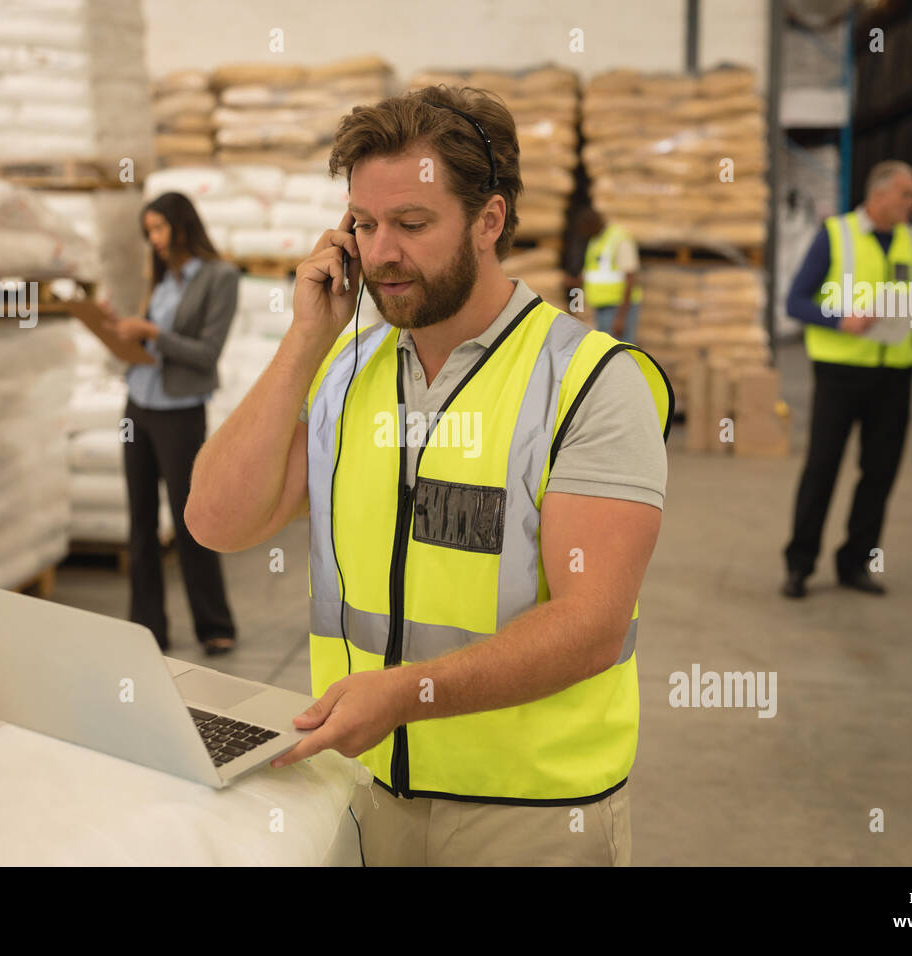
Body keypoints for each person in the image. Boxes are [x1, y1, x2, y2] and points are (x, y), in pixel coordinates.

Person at [185, 86, 671, 866]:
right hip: (356, 795)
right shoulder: (345, 372)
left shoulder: (590, 382)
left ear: (490, 220)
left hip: (528, 817)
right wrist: (306, 341)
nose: (380, 254)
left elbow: (593, 624)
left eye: (412, 225)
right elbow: (215, 521)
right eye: (364, 225)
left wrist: (409, 694)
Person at [781, 160, 912, 599]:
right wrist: (840, 320)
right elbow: (795, 301)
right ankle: (799, 564)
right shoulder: (835, 235)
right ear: (878, 196)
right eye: (906, 194)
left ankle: (856, 563)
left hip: (894, 375)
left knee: (879, 473)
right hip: (839, 373)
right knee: (822, 469)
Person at [109, 192, 238, 653]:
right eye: (149, 232)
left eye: (160, 229)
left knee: (191, 520)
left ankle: (214, 625)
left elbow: (206, 353)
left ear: (183, 226)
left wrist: (153, 334)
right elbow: (151, 343)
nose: (154, 239)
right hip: (139, 405)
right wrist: (123, 333)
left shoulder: (219, 278)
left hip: (180, 411)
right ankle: (147, 628)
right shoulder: (161, 279)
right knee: (140, 523)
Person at [565, 207, 643, 342]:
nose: (583, 233)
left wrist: (621, 318)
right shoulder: (595, 241)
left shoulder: (619, 238)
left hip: (618, 308)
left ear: (592, 224)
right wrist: (573, 283)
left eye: (584, 228)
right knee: (606, 351)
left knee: (621, 353)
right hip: (601, 308)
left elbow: (630, 278)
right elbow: (592, 274)